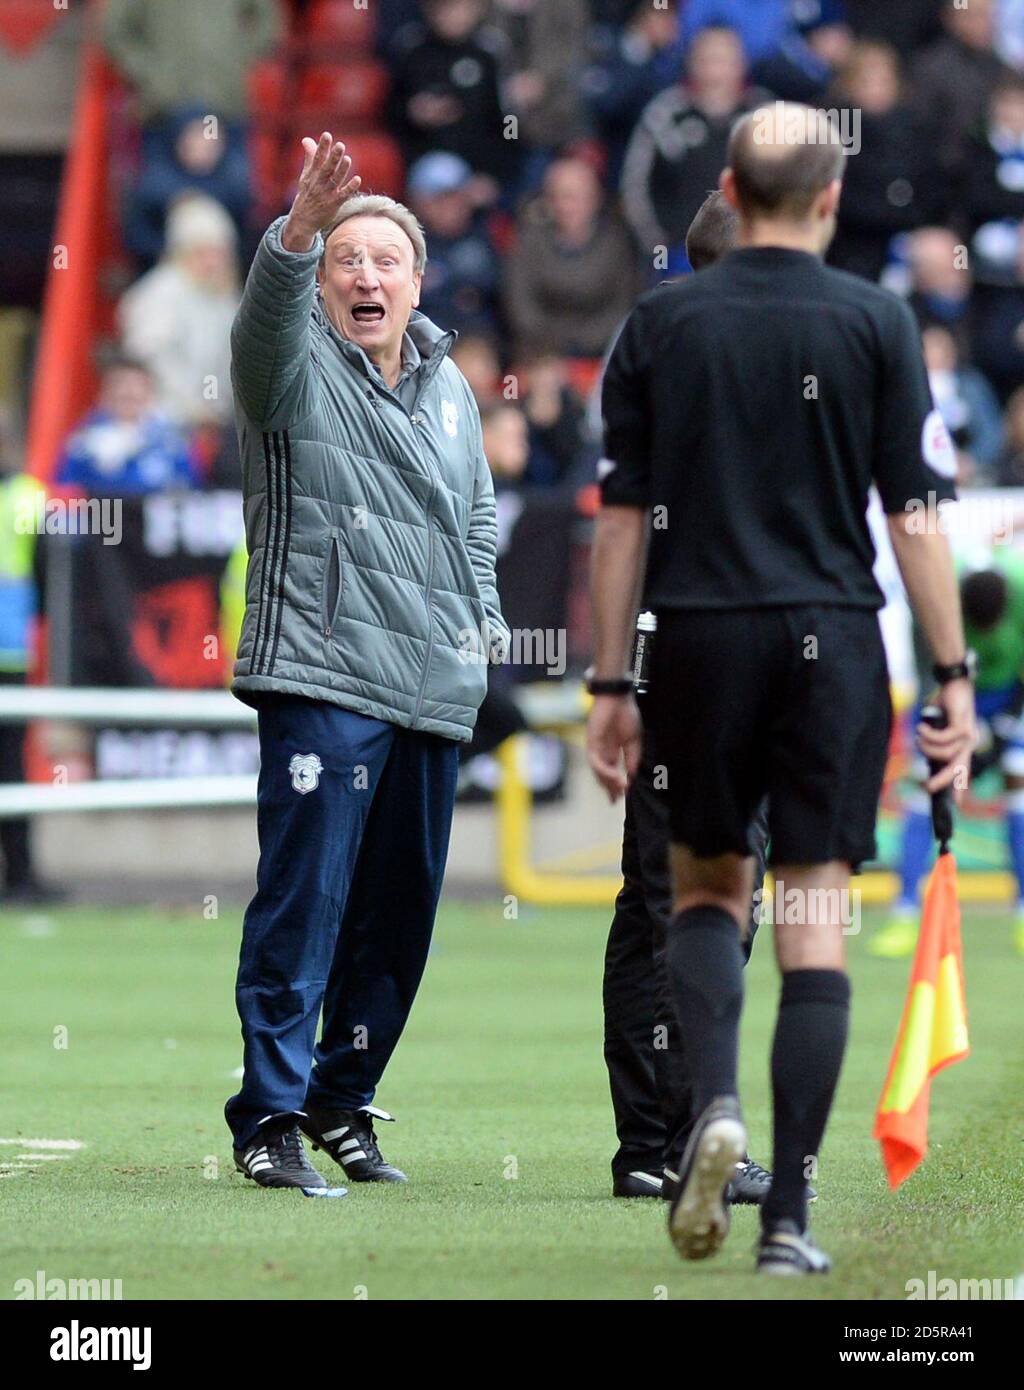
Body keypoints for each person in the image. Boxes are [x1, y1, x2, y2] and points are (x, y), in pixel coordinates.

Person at [586, 102, 976, 1275]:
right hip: (830, 640)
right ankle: (790, 1216)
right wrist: (950, 673)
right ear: (829, 200)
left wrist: (611, 677)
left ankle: (711, 1106)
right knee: (813, 921)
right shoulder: (876, 320)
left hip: (697, 639)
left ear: (727, 186)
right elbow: (913, 523)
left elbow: (615, 524)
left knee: (703, 891)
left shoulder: (662, 321)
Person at [225, 133, 509, 1191]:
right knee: (304, 905)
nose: (365, 275)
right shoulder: (288, 359)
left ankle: (343, 1099)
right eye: (346, 258)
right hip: (324, 672)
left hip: (431, 687)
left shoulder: (449, 388)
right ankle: (267, 1117)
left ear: (418, 281)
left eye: (385, 260)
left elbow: (479, 519)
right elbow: (259, 332)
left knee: (397, 923)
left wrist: (478, 620)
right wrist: (295, 231)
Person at [602, 189, 774, 1205]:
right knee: (707, 901)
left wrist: (609, 674)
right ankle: (690, 1128)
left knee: (649, 903)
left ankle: (645, 1143)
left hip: (660, 652)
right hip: (725, 652)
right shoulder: (747, 360)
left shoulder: (650, 347)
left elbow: (619, 517)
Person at [873, 550, 1024, 959]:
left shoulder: (1023, 590)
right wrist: (948, 732)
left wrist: (1001, 727)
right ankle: (905, 912)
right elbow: (926, 673)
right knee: (928, 789)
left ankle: (1023, 915)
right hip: (945, 695)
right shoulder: (932, 597)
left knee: (1019, 782)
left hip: (1007, 697)